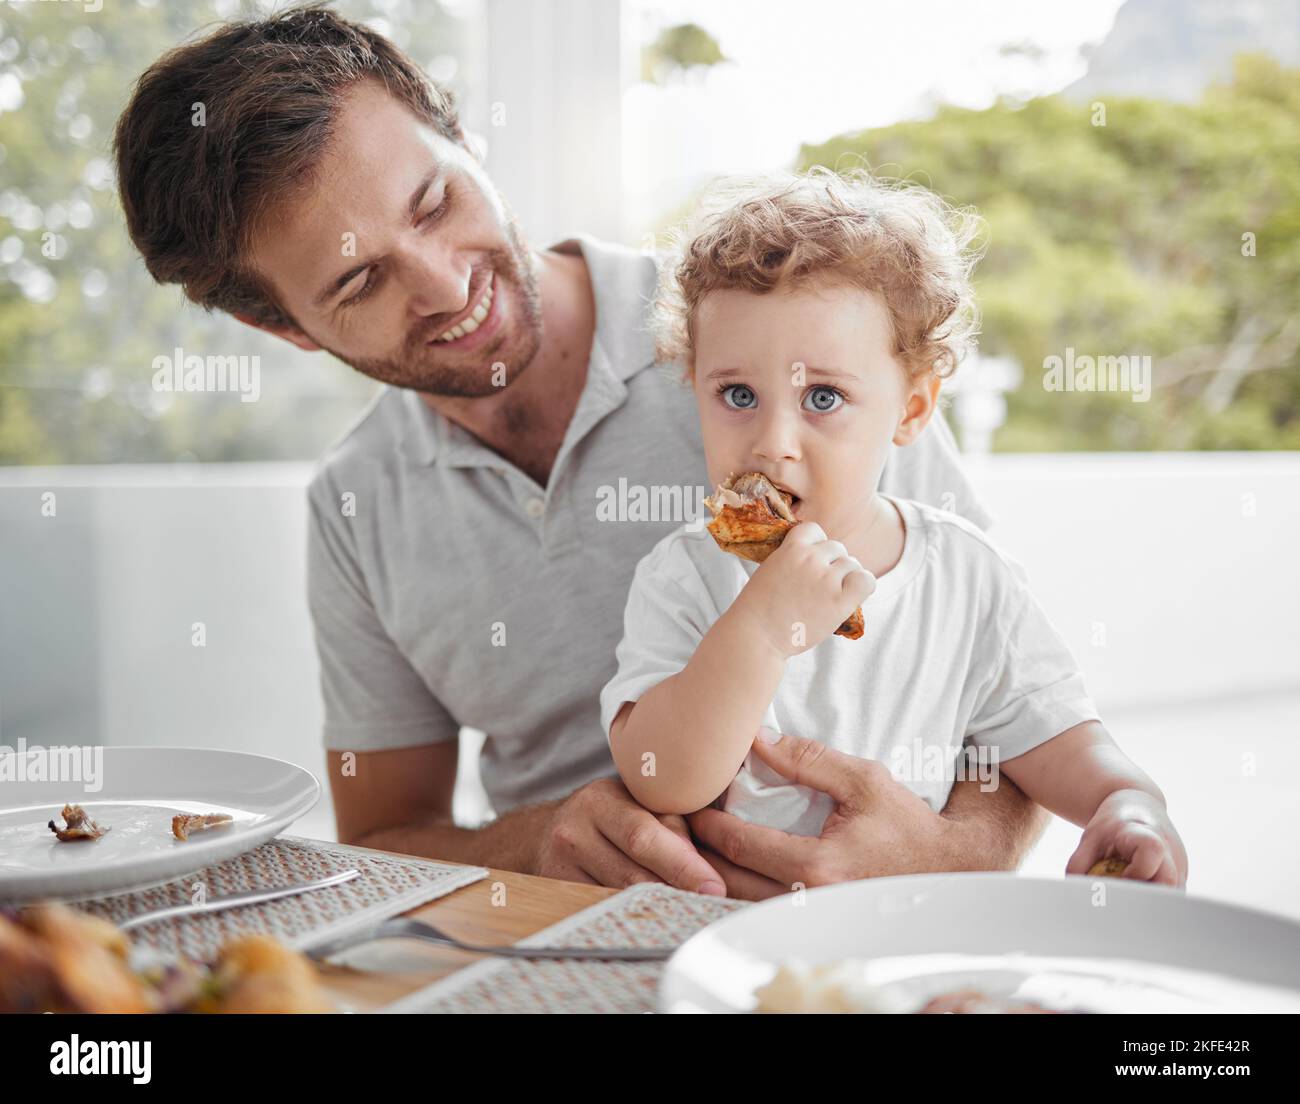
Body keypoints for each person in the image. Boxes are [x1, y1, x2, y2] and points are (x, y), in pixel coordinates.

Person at [112, 4, 1049, 899]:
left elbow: (1009, 692)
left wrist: (954, 856)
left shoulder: (776, 345)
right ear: (285, 328)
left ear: (466, 138)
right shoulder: (358, 505)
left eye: (435, 202)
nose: (446, 285)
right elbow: (386, 836)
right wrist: (535, 839)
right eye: (360, 280)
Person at [602, 169, 1188, 886]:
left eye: (823, 396)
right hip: (724, 941)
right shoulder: (687, 573)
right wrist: (761, 629)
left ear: (911, 411)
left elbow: (1058, 737)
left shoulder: (966, 576)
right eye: (737, 394)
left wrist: (1128, 803)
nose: (772, 440)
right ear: (694, 387)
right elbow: (662, 779)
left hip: (903, 941)